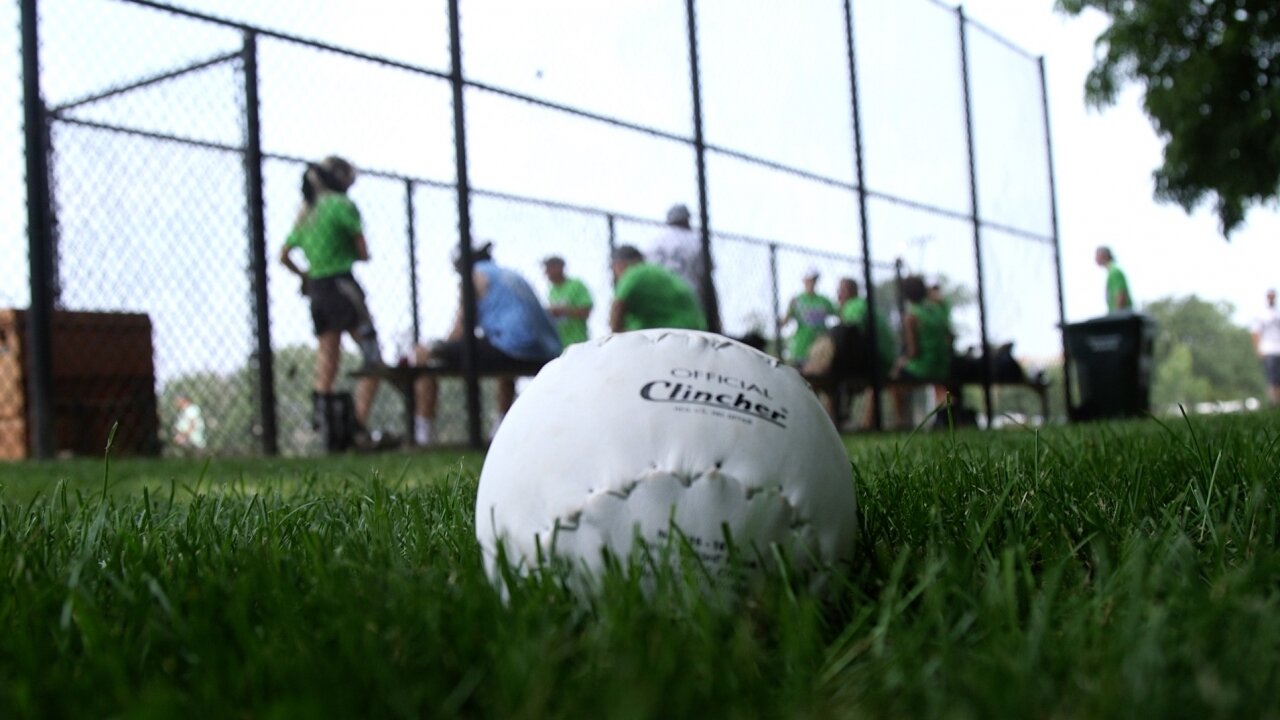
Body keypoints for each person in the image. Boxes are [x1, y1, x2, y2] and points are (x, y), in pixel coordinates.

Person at [278, 155, 384, 447]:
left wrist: (306, 274)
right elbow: (363, 251)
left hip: (318, 291)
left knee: (327, 359)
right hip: (342, 285)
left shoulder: (307, 213)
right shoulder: (341, 205)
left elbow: (283, 255)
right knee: (372, 355)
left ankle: (326, 431)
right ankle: (358, 427)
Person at [413, 242, 562, 445]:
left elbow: (462, 329)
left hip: (512, 349)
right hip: (546, 352)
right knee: (500, 352)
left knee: (428, 354)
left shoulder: (474, 276)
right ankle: (500, 430)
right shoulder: (510, 275)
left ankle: (422, 435)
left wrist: (440, 348)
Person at [892, 274, 954, 428]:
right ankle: (950, 414)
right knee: (939, 385)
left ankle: (901, 421)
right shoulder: (937, 311)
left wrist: (901, 362)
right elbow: (949, 336)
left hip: (924, 367)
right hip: (942, 365)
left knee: (894, 381)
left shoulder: (911, 317)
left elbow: (914, 351)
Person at [609, 245, 706, 332]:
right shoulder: (656, 272)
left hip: (672, 332)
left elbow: (617, 307)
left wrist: (618, 335)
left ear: (619, 264)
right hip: (694, 327)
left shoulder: (634, 272)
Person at [648, 203, 708, 310]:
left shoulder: (654, 242)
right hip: (690, 296)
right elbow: (705, 275)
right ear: (686, 220)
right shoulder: (696, 240)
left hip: (661, 297)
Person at [781, 267, 837, 366]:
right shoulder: (796, 300)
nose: (812, 282)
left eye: (814, 280)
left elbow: (839, 314)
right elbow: (785, 321)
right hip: (801, 347)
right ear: (804, 280)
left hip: (819, 348)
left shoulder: (824, 300)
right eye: (809, 279)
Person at [542, 255, 593, 347]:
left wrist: (562, 311)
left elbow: (586, 312)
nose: (546, 273)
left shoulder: (576, 285)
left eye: (549, 269)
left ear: (559, 268)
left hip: (578, 343)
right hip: (560, 345)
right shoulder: (552, 291)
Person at [1252, 288, 1280, 406]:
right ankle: (1274, 402)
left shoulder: (1278, 312)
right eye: (1270, 296)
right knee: (1272, 378)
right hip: (1268, 349)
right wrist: (1258, 348)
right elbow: (1255, 332)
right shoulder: (1262, 314)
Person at [1095, 246, 1132, 313]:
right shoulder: (1111, 272)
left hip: (1122, 317)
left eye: (1096, 255)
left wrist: (1117, 317)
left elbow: (1121, 295)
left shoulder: (1114, 272)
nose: (1095, 258)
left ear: (1103, 255)